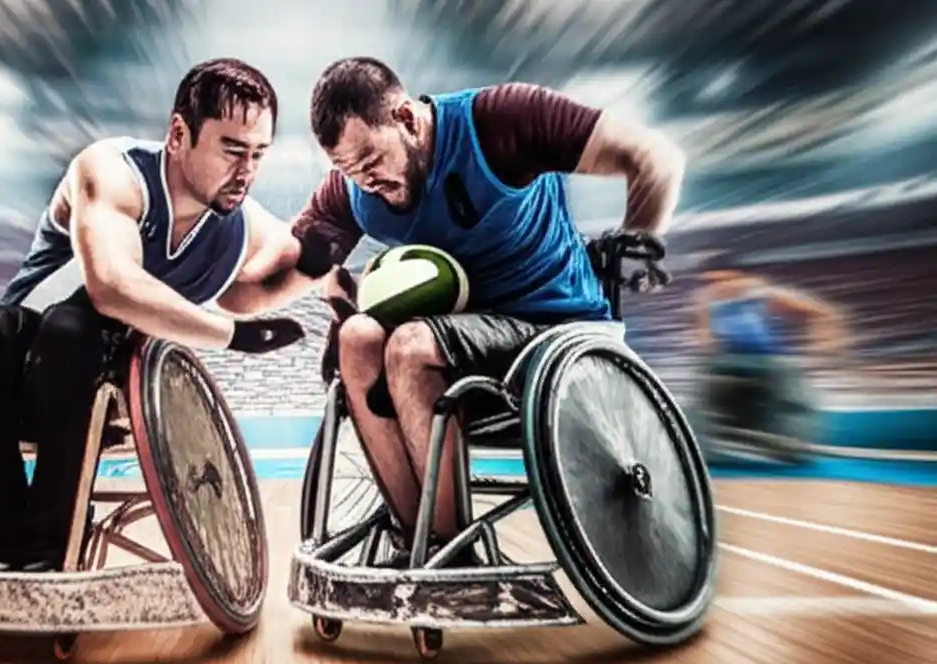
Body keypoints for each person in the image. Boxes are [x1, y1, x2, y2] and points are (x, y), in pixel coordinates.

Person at [271, 57, 689, 561]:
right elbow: (300, 259)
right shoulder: (353, 189)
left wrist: (639, 243)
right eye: (347, 170)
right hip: (462, 343)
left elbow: (655, 157)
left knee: (408, 345)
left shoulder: (501, 121)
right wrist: (333, 294)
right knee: (357, 340)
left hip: (552, 328)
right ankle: (418, 541)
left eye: (371, 161)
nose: (364, 181)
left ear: (405, 119)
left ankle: (452, 550)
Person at [0, 58, 332, 572]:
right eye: (231, 150)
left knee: (73, 334)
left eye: (258, 154)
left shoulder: (239, 223)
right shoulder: (112, 170)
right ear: (179, 133)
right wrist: (232, 337)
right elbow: (111, 287)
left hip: (101, 377)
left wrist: (327, 282)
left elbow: (275, 277)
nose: (246, 172)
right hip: (19, 359)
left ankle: (46, 557)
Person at [694, 267, 849, 458]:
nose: (717, 286)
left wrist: (824, 341)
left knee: (787, 375)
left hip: (767, 363)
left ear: (740, 277)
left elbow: (822, 312)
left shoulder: (763, 294)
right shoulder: (707, 301)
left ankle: (791, 441)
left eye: (723, 280)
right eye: (710, 282)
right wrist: (707, 346)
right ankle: (714, 435)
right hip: (730, 363)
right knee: (705, 375)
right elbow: (704, 336)